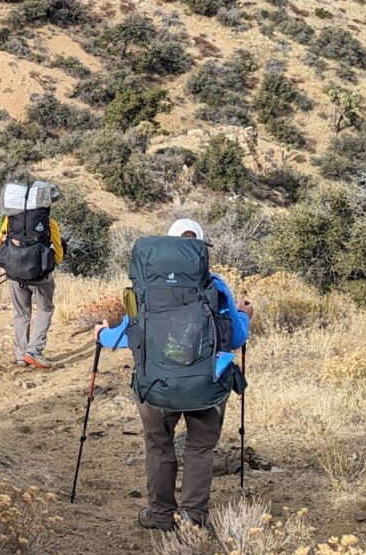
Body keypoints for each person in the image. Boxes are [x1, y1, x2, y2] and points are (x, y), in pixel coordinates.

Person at [94, 218, 250, 531]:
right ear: (201, 251)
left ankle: (161, 515)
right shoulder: (216, 286)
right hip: (206, 385)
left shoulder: (145, 288)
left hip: (156, 386)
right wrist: (245, 314)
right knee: (200, 449)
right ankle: (193, 517)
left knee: (159, 446)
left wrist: (101, 334)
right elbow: (235, 338)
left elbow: (125, 336)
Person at [0, 180, 64, 368]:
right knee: (45, 309)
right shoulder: (50, 224)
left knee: (21, 313)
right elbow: (57, 253)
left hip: (15, 275)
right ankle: (34, 351)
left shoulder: (9, 221)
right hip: (42, 275)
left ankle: (20, 354)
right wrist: (51, 264)